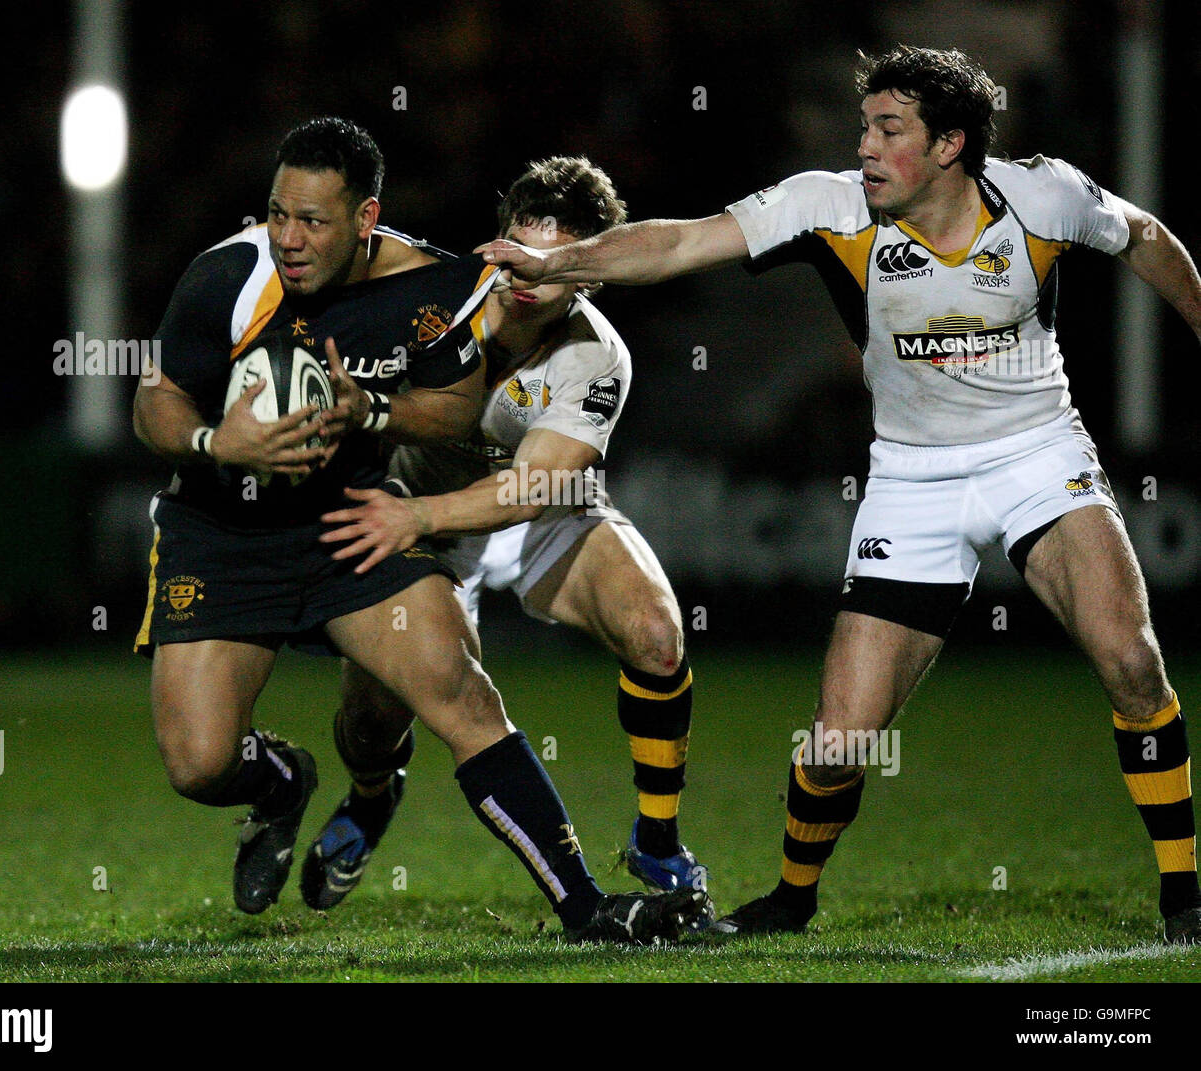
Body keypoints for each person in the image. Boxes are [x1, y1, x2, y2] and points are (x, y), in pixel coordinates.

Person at [480, 46, 1201, 944]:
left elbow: (1145, 237)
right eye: (863, 125)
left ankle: (1184, 901)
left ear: (950, 145)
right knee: (837, 744)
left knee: (1132, 664)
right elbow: (680, 240)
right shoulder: (826, 206)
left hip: (1036, 454)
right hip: (910, 477)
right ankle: (789, 899)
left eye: (887, 130)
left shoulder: (1042, 197)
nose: (863, 146)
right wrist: (569, 261)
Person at [132, 116, 705, 943]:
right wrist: (213, 440)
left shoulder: (470, 307)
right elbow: (155, 397)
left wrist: (370, 413)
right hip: (241, 527)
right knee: (203, 761)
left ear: (365, 220)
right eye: (279, 213)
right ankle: (293, 784)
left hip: (416, 512)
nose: (288, 239)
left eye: (314, 221)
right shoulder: (230, 272)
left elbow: (501, 454)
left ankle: (597, 900)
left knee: (485, 686)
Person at [302, 156, 709, 915]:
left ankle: (657, 841)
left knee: (656, 635)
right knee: (370, 721)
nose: (526, 276)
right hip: (418, 497)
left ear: (592, 272)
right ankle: (370, 795)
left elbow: (535, 486)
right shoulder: (429, 298)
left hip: (526, 512)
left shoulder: (596, 358)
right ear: (496, 242)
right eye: (516, 250)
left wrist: (417, 517)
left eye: (550, 265)